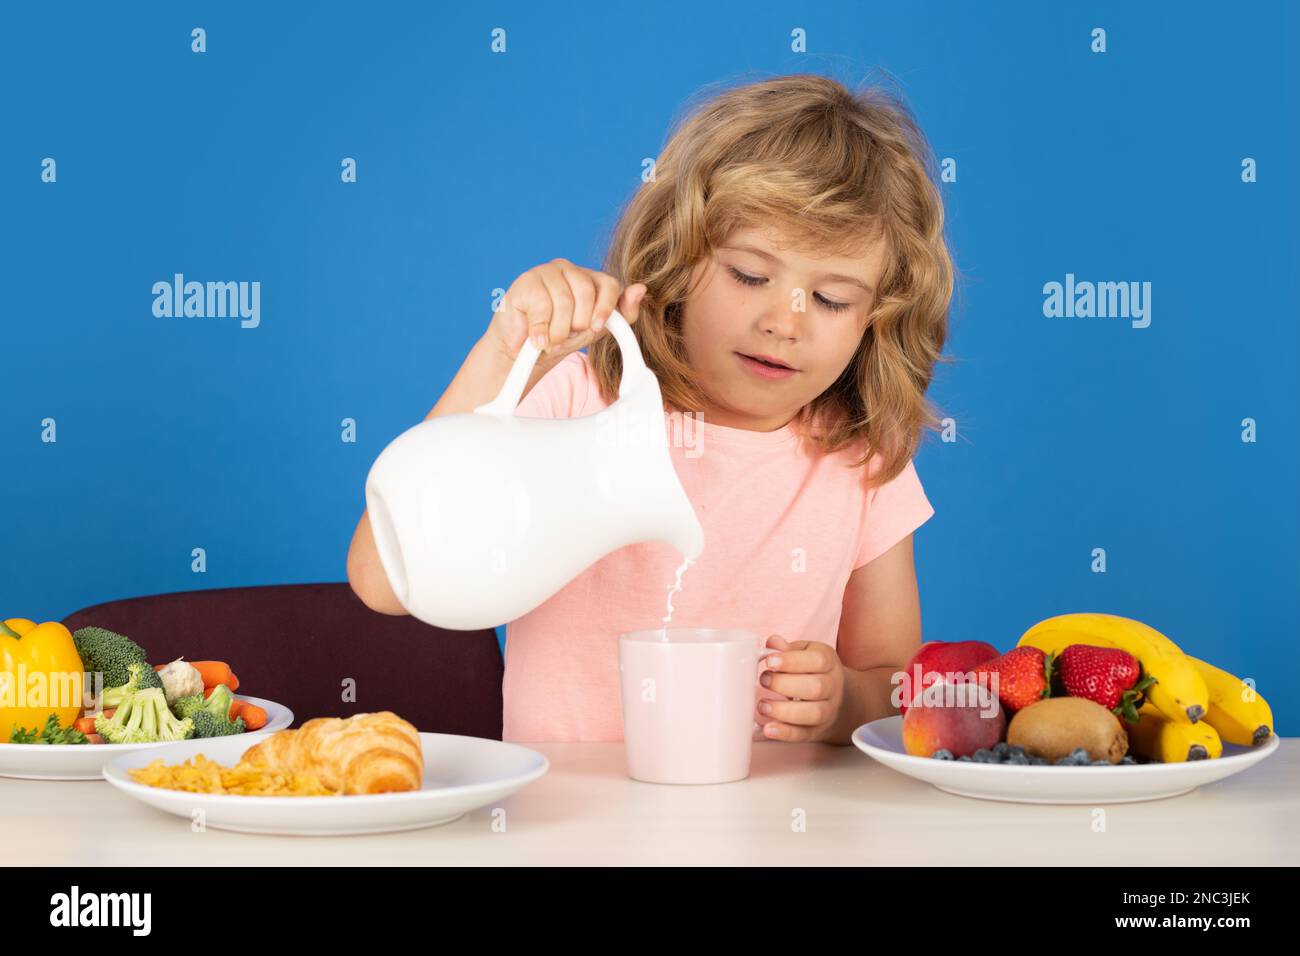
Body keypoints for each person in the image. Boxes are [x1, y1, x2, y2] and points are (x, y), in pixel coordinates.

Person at [348, 73, 954, 744]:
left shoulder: (860, 461)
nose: (786, 322)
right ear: (676, 258)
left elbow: (894, 682)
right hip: (568, 834)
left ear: (878, 316)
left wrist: (840, 701)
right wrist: (508, 354)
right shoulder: (581, 405)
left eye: (833, 299)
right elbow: (383, 578)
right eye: (751, 276)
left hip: (775, 835)